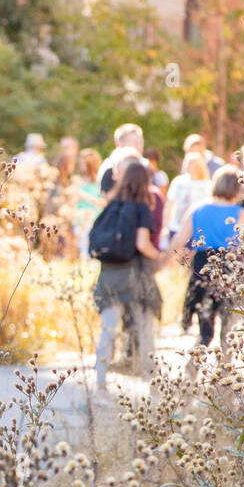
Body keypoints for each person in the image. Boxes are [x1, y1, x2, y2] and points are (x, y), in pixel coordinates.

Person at [92, 160, 164, 390]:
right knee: (144, 330)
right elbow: (142, 244)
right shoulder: (142, 207)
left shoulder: (112, 204)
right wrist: (160, 257)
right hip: (134, 277)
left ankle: (100, 385)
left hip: (108, 276)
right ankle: (153, 386)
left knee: (108, 331)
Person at [169, 165, 244, 354]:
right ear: (236, 188)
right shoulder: (240, 214)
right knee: (228, 330)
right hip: (229, 269)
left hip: (202, 268)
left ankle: (192, 372)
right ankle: (224, 377)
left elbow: (179, 241)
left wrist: (178, 260)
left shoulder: (198, 209)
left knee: (205, 332)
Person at [163, 152, 212, 250]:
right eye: (189, 163)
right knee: (175, 256)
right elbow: (169, 204)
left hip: (197, 229)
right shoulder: (179, 182)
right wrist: (165, 226)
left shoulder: (207, 185)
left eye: (194, 164)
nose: (191, 166)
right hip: (177, 226)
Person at [98, 123, 145, 194]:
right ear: (120, 144)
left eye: (141, 142)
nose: (139, 147)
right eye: (135, 143)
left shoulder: (144, 164)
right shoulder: (109, 168)